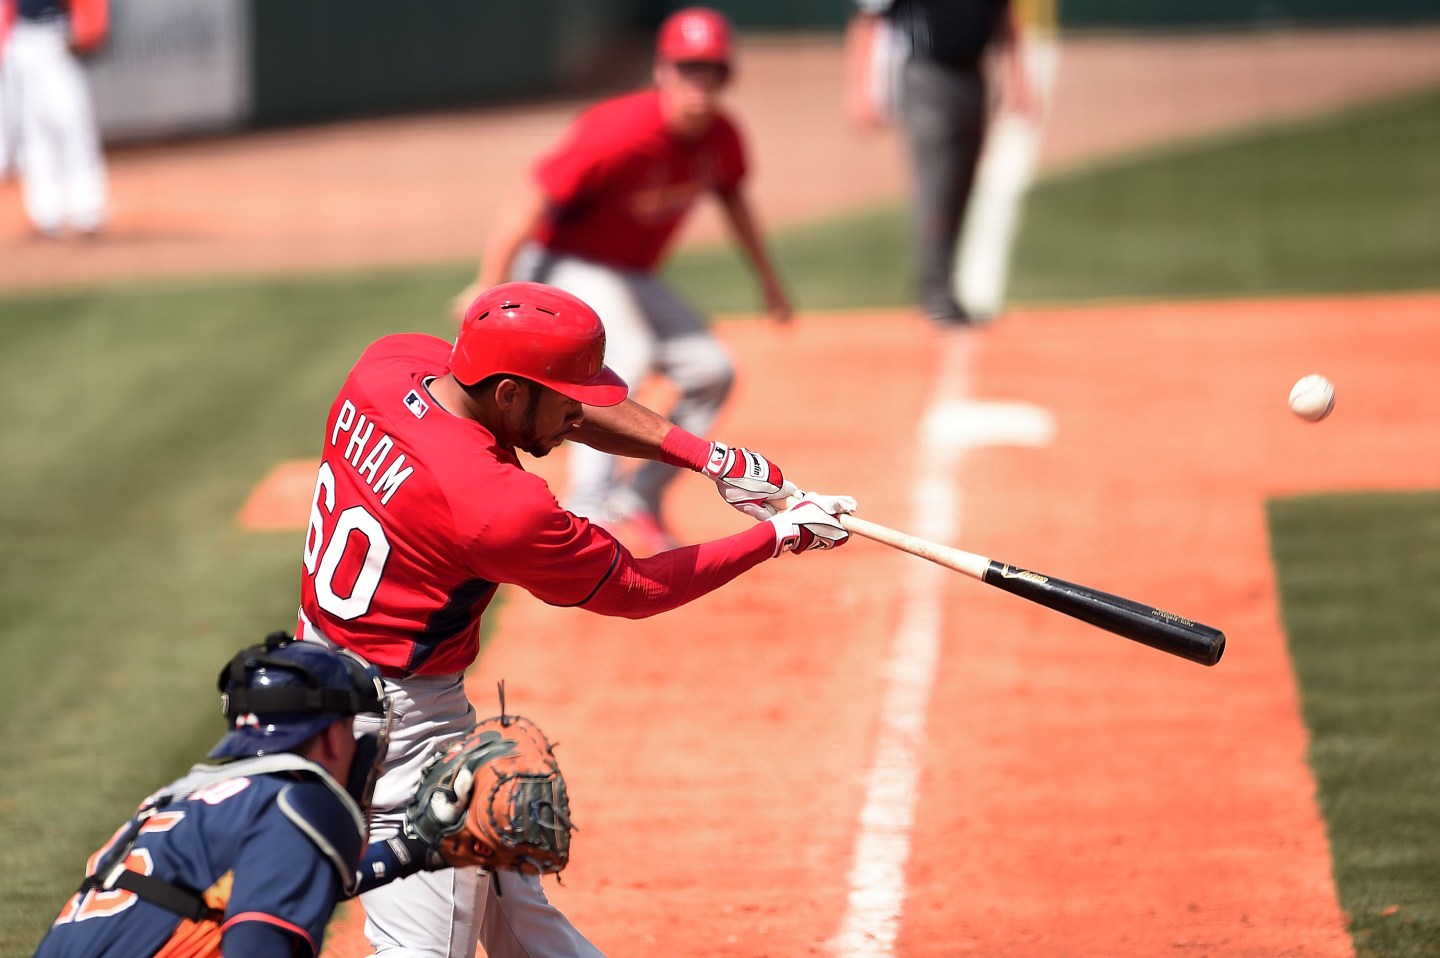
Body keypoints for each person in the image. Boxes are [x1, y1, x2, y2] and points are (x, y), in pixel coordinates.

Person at [299, 280, 855, 958]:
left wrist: (709, 458)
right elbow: (635, 587)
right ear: (509, 394)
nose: (577, 420)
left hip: (316, 676)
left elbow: (537, 404)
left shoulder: (386, 369)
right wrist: (779, 537)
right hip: (400, 734)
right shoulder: (498, 508)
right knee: (424, 947)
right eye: (569, 402)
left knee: (521, 918)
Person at [453, 6, 791, 552]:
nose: (698, 82)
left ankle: (642, 496)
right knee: (622, 351)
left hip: (629, 274)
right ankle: (591, 501)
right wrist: (488, 282)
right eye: (688, 68)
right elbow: (531, 193)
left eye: (711, 70)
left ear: (726, 77)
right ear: (662, 70)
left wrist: (770, 282)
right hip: (558, 264)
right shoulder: (620, 129)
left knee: (713, 370)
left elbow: (734, 200)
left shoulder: (722, 137)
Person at [34, 633, 407, 957]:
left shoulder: (182, 799)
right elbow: (256, 949)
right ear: (330, 735)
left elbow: (279, 880)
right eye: (350, 728)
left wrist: (409, 851)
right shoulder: (296, 807)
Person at [845, 0, 1031, 326]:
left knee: (962, 182)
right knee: (935, 185)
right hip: (926, 75)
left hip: (975, 75)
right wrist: (860, 89)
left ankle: (943, 289)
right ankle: (935, 292)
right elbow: (867, 19)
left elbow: (1004, 16)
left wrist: (1018, 77)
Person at [2, 0, 108, 237]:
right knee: (34, 132)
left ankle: (87, 212)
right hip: (22, 40)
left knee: (73, 126)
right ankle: (47, 215)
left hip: (57, 36)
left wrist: (89, 30)